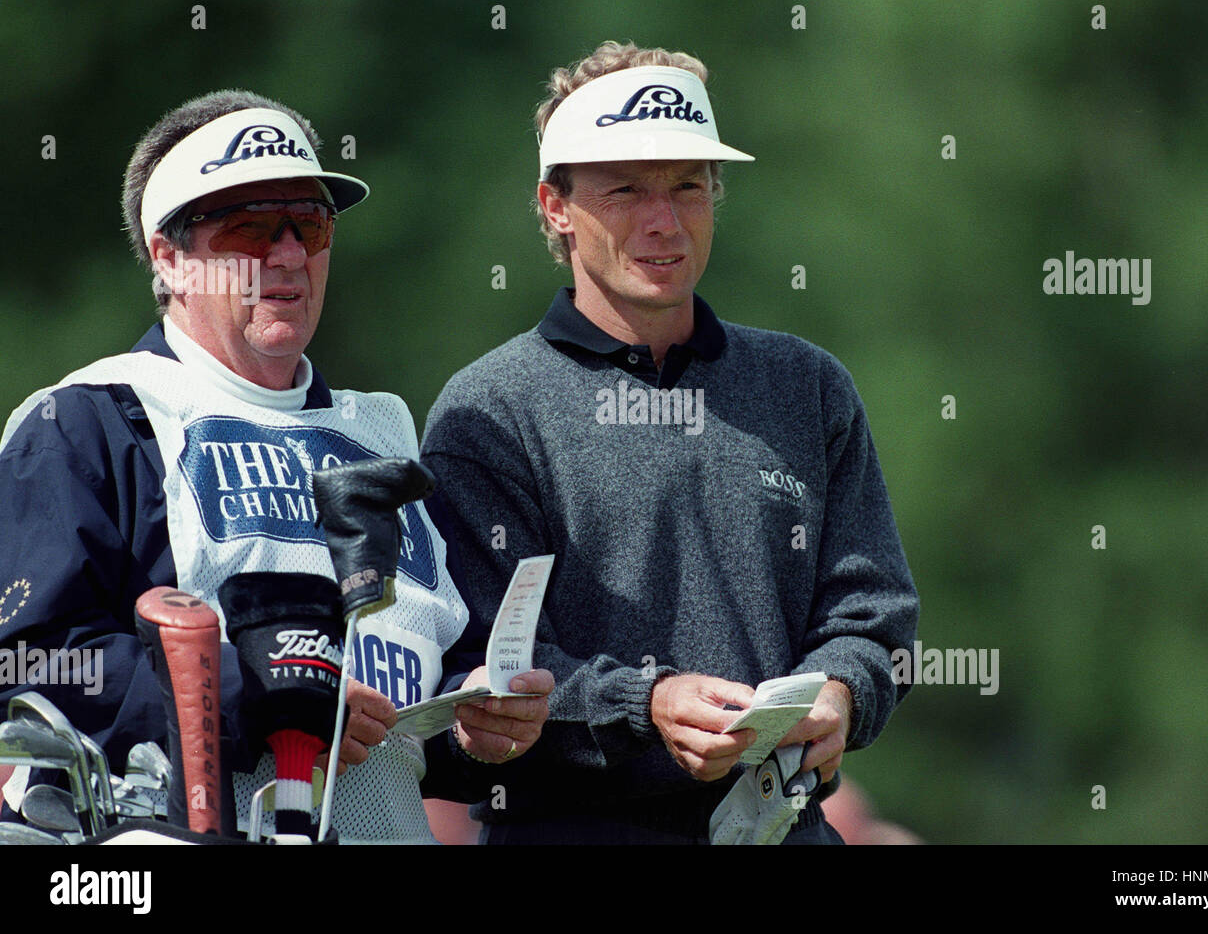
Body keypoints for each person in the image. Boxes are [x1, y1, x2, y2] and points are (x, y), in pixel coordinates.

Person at [0, 90, 552, 843]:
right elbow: (31, 662)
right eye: (251, 227)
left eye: (311, 224)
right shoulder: (88, 419)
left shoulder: (383, 430)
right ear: (170, 259)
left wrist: (475, 714)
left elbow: (431, 663)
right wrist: (255, 692)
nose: (289, 254)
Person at [420, 41, 920, 844]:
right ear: (555, 205)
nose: (664, 221)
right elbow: (470, 678)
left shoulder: (807, 386)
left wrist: (840, 695)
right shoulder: (489, 412)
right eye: (624, 190)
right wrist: (644, 706)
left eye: (689, 186)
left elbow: (872, 616)